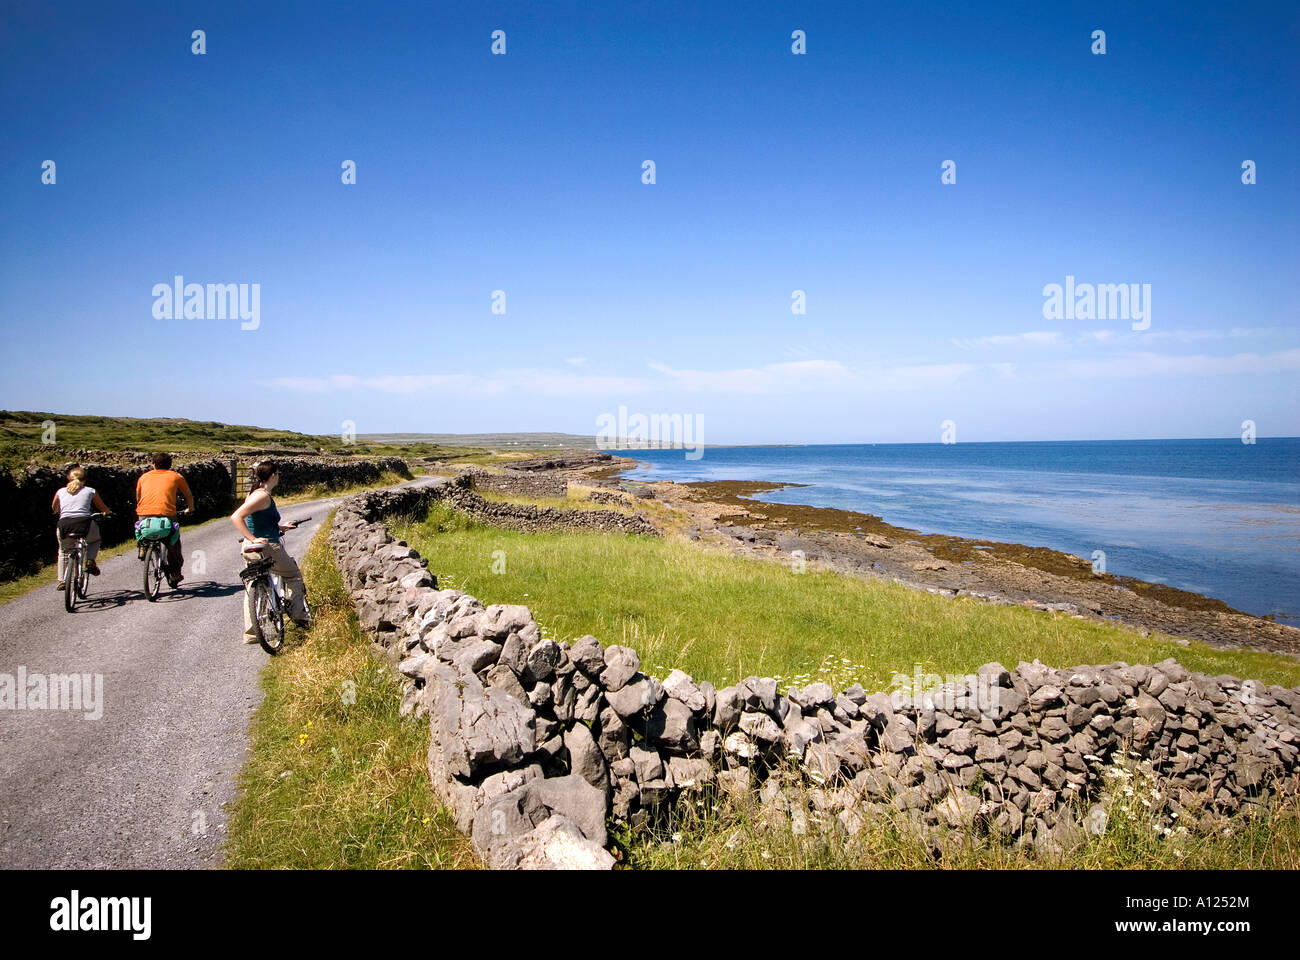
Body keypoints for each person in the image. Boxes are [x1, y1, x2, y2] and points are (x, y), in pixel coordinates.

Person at [231, 460, 310, 643]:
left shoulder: (254, 494)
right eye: (278, 473)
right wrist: (253, 538)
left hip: (250, 548)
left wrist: (282, 527)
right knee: (293, 575)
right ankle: (299, 617)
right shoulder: (263, 496)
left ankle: (252, 634)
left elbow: (257, 520)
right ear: (273, 475)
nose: (279, 476)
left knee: (253, 584)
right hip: (266, 546)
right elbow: (236, 517)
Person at [135, 452, 195, 587]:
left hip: (144, 513)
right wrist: (190, 509)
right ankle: (174, 572)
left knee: (142, 528)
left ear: (153, 464)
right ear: (170, 465)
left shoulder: (143, 477)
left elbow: (138, 497)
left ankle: (143, 545)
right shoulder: (176, 476)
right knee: (173, 541)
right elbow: (188, 495)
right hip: (166, 513)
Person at [51, 466, 111, 591]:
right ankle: (90, 560)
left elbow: (54, 508)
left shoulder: (60, 491)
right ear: (84, 479)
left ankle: (62, 580)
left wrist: (59, 511)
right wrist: (106, 512)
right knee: (95, 540)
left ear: (68, 479)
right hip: (84, 523)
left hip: (64, 525)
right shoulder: (90, 491)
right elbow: (103, 508)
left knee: (63, 551)